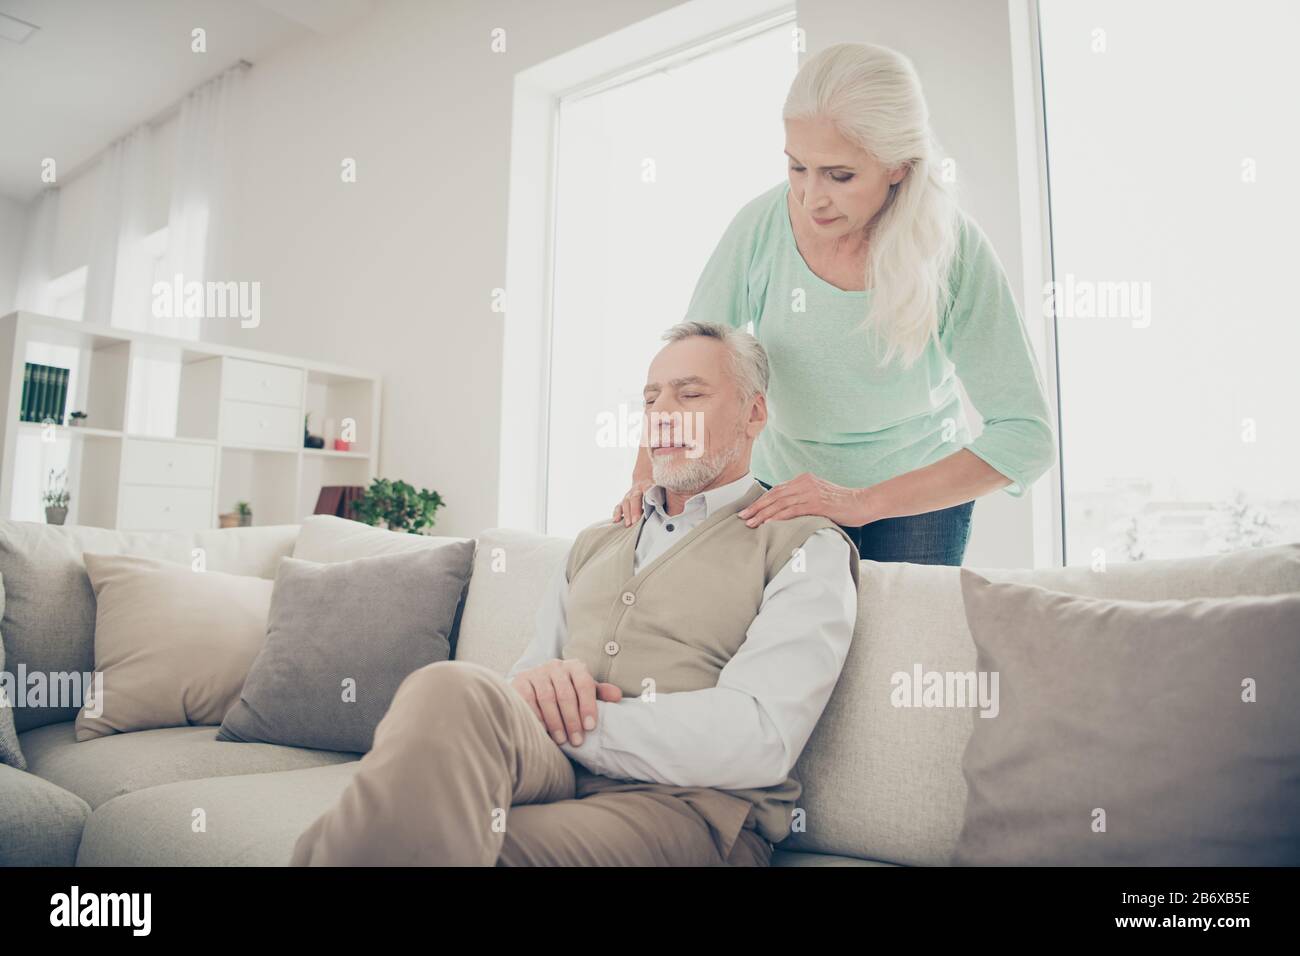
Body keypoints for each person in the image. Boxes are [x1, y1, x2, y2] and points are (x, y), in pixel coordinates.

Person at [291, 321, 858, 866]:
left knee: (404, 840)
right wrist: (532, 687)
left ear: (752, 413)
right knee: (450, 685)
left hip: (692, 810)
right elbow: (528, 677)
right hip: (555, 775)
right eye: (652, 399)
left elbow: (757, 736)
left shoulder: (804, 545)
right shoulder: (596, 541)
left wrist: (575, 725)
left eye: (690, 395)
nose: (663, 416)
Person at [613, 42, 1057, 566]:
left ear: (898, 167)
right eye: (797, 167)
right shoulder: (759, 229)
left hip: (916, 501)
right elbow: (687, 371)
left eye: (839, 175)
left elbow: (1026, 436)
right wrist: (646, 479)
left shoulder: (952, 248)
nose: (810, 197)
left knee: (901, 644)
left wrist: (863, 502)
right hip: (786, 489)